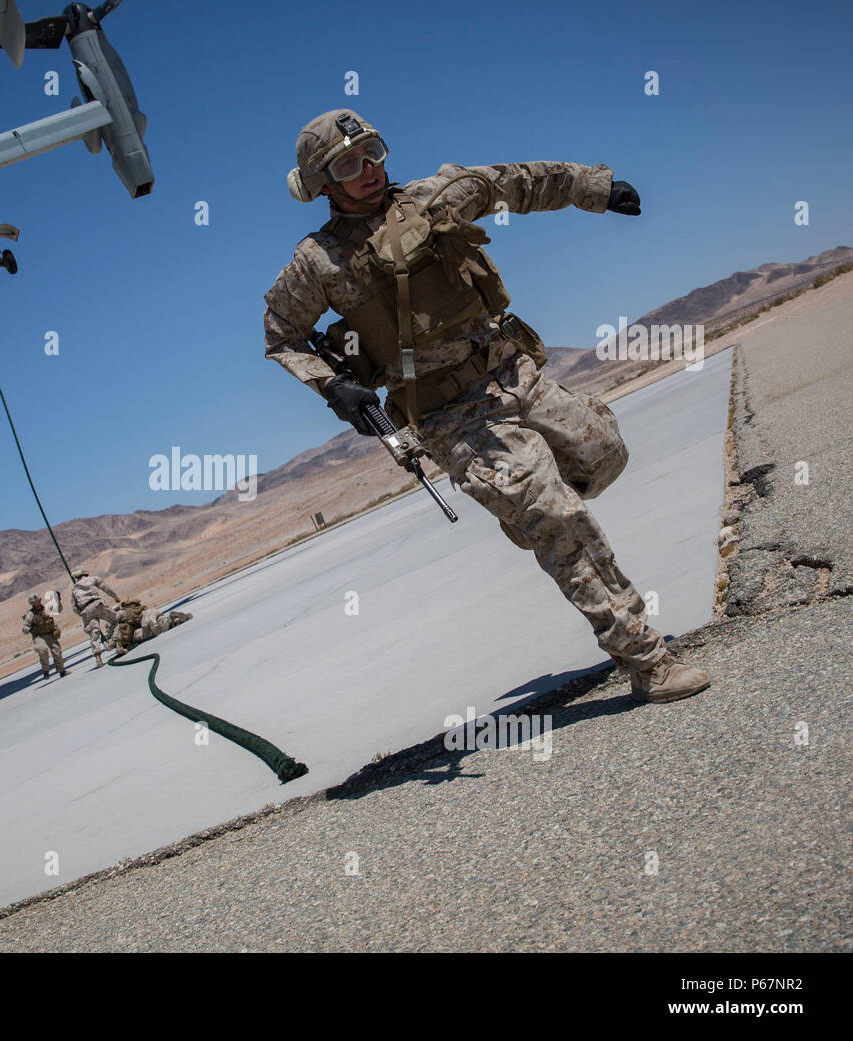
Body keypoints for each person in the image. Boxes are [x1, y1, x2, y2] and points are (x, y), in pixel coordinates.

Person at [263, 109, 710, 703]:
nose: (367, 169)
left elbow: (516, 181)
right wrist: (332, 385)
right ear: (323, 183)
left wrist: (594, 189)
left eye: (372, 151)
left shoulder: (436, 197)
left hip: (512, 370)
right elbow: (280, 335)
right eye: (347, 163)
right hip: (452, 414)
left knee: (604, 452)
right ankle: (646, 661)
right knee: (558, 518)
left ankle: (526, 510)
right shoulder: (317, 263)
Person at [109, 599, 192, 656]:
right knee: (161, 621)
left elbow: (112, 642)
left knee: (149, 630)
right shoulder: (130, 610)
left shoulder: (116, 620)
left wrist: (114, 645)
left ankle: (170, 621)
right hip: (151, 613)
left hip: (146, 621)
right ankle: (173, 619)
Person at [22, 594, 66, 679]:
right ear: (32, 605)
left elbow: (58, 609)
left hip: (50, 634)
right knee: (42, 650)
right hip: (39, 636)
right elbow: (24, 627)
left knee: (57, 652)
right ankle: (46, 670)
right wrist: (30, 630)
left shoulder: (46, 608)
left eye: (38, 602)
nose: (37, 604)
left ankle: (61, 671)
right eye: (35, 603)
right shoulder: (31, 614)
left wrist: (58, 600)